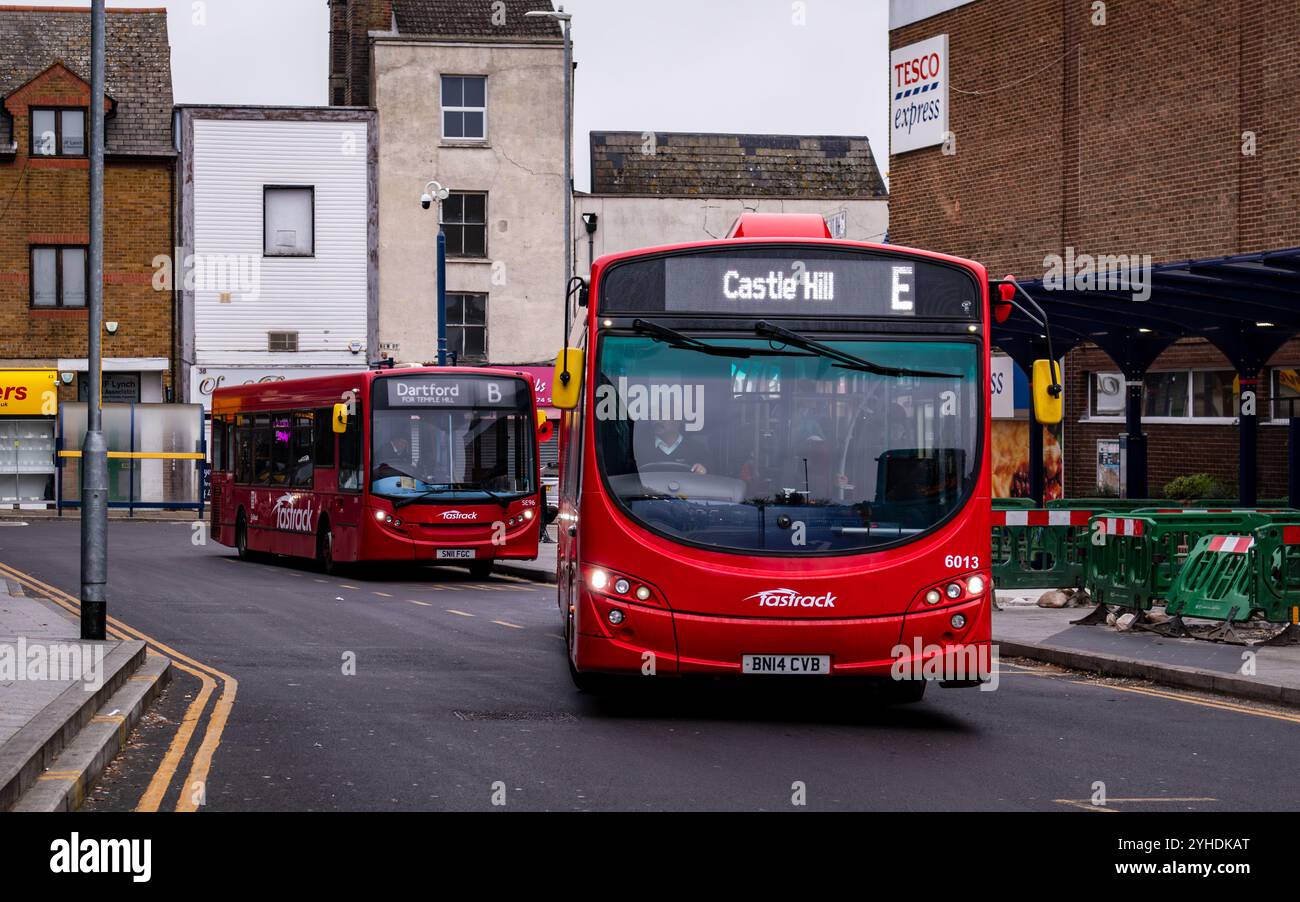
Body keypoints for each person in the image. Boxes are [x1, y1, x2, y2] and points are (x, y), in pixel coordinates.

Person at [635, 419, 710, 474]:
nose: (657, 420)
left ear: (678, 421)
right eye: (654, 415)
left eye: (664, 414)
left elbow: (712, 479)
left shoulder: (697, 448)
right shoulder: (638, 449)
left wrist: (703, 470)